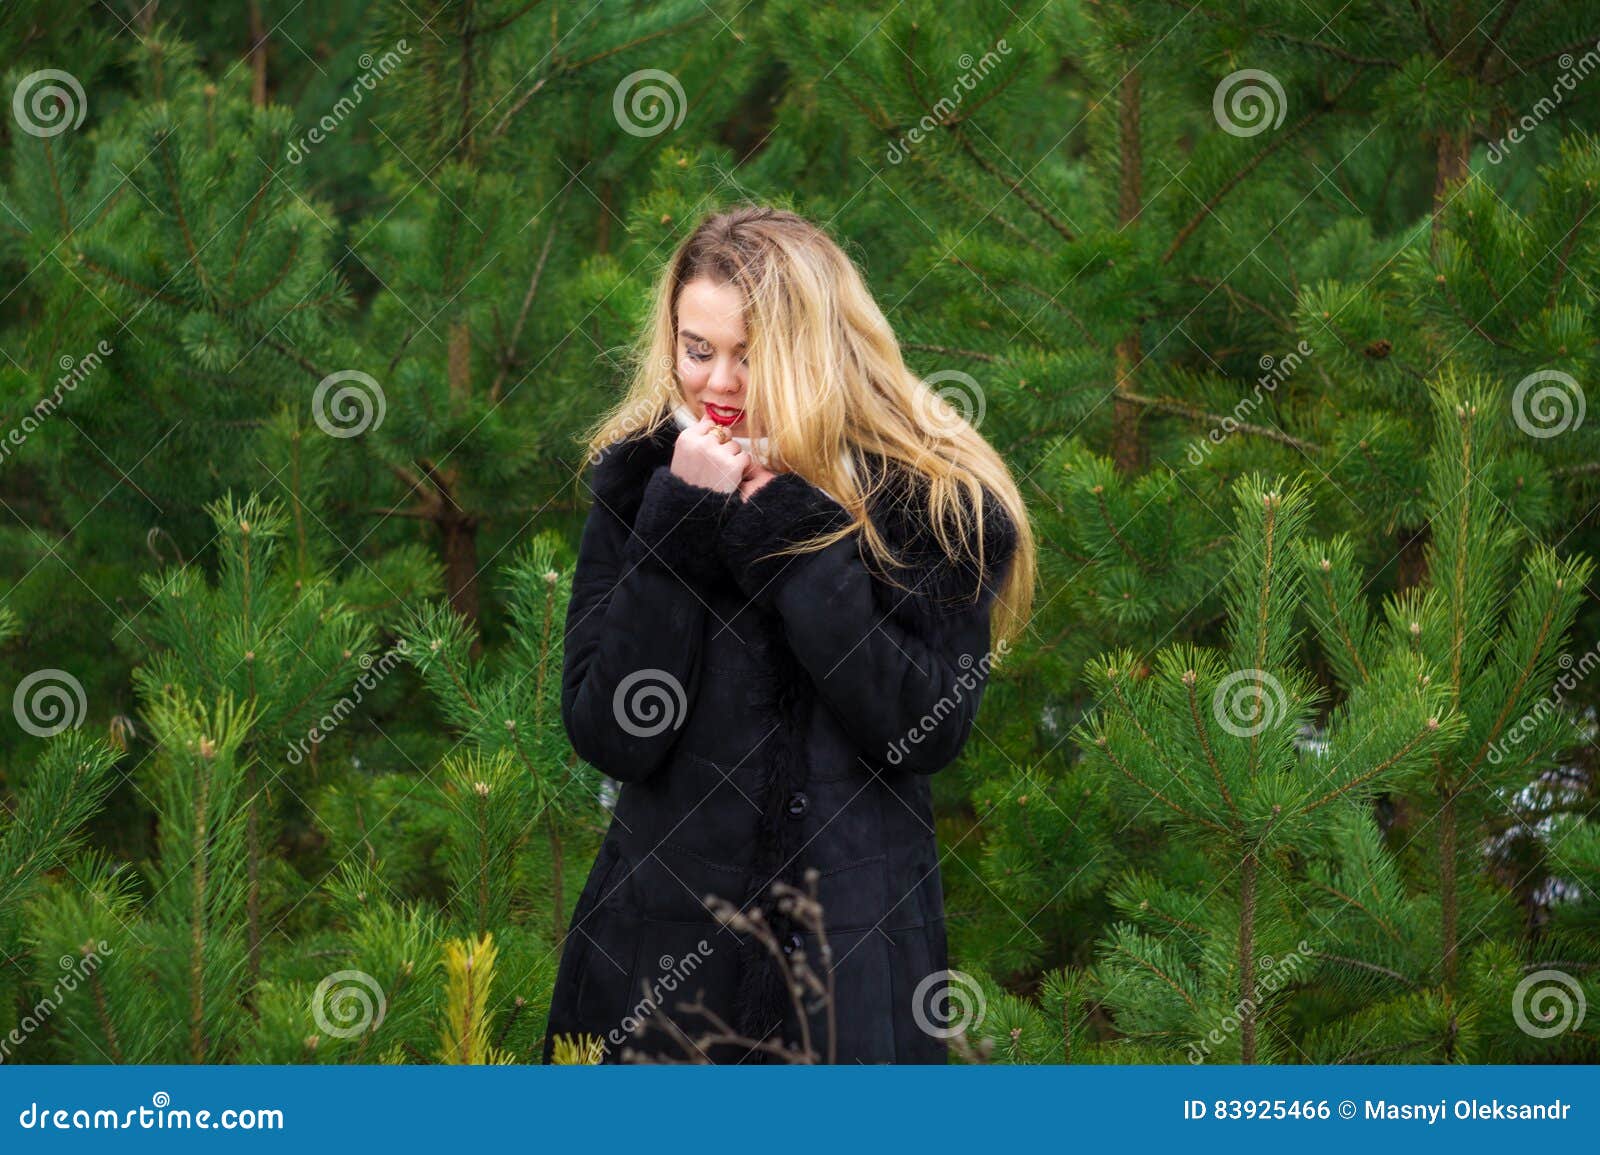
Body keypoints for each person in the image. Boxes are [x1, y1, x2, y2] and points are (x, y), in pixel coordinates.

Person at [540, 204, 1035, 1065]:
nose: (718, 382)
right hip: (659, 959)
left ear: (814, 348)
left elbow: (923, 723)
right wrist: (677, 526)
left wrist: (784, 533)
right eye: (698, 349)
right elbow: (610, 732)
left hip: (854, 961)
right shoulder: (640, 485)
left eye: (749, 352)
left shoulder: (931, 501)